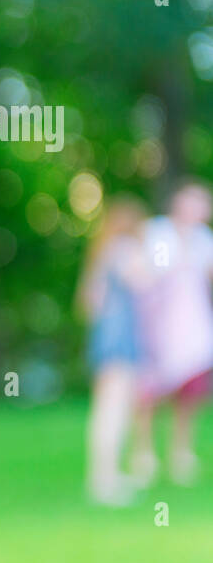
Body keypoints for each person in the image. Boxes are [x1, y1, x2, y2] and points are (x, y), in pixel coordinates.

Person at [131, 179, 213, 488]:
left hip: (194, 329)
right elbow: (146, 273)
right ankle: (144, 454)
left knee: (189, 397)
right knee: (149, 394)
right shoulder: (158, 232)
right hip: (159, 326)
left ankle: (181, 454)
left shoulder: (204, 239)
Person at [75, 195, 149, 505]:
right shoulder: (124, 249)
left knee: (105, 408)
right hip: (121, 339)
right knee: (113, 410)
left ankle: (105, 476)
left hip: (104, 337)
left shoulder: (101, 253)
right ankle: (104, 482)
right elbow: (143, 282)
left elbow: (86, 305)